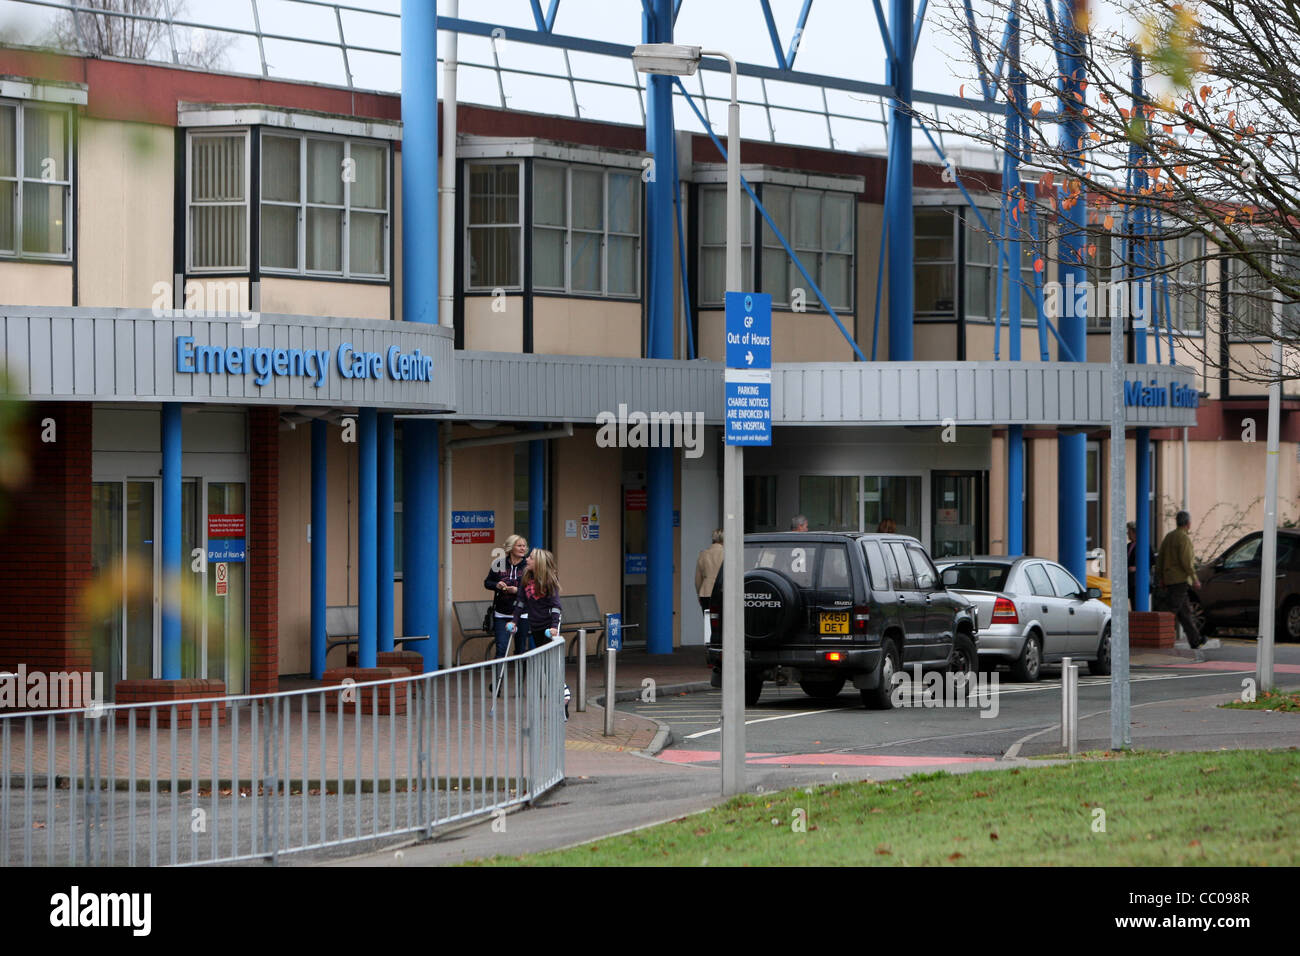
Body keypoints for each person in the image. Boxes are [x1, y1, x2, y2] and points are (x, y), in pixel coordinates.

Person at [1156, 510, 1204, 649]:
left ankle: (1196, 640)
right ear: (1188, 523)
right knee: (1170, 611)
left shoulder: (1169, 537)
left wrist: (1161, 577)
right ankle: (1159, 638)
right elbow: (1187, 561)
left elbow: (1160, 559)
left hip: (1169, 579)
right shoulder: (1183, 538)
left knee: (1185, 612)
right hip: (1180, 580)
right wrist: (1194, 578)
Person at [507, 548, 563, 655]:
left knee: (548, 657)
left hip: (549, 624)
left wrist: (554, 626)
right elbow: (520, 601)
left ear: (538, 562)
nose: (526, 559)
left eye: (531, 558)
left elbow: (555, 605)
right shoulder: (526, 577)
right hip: (535, 623)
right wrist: (514, 621)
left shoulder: (549, 580)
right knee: (541, 655)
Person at [484, 534, 528, 658]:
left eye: (524, 546)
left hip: (522, 614)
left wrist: (517, 591)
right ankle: (498, 677)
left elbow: (534, 590)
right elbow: (487, 582)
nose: (523, 548)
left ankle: (520, 677)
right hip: (501, 614)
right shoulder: (499, 563)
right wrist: (497, 585)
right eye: (519, 546)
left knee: (520, 650)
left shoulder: (528, 565)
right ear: (510, 547)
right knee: (501, 648)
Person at [695, 529, 724, 614]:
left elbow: (697, 580)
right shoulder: (727, 553)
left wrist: (699, 595)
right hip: (723, 592)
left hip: (706, 593)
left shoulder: (703, 554)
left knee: (708, 623)